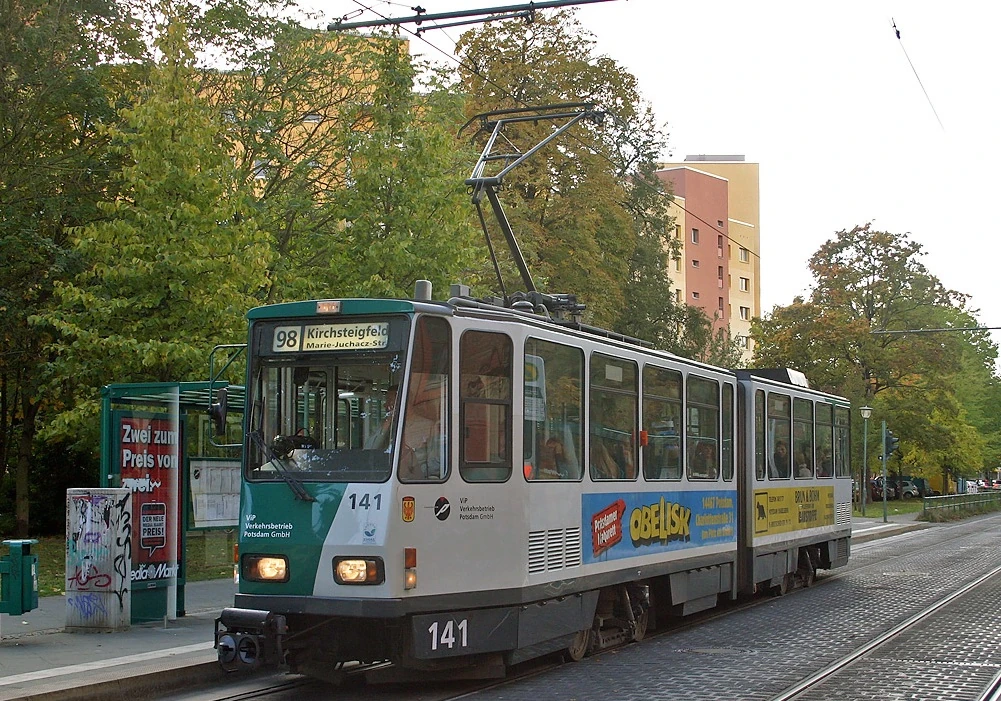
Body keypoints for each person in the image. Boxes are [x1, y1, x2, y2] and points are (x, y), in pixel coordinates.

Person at [364, 386, 398, 451]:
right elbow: (369, 448)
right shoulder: (385, 423)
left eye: (390, 400)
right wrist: (388, 421)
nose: (385, 405)